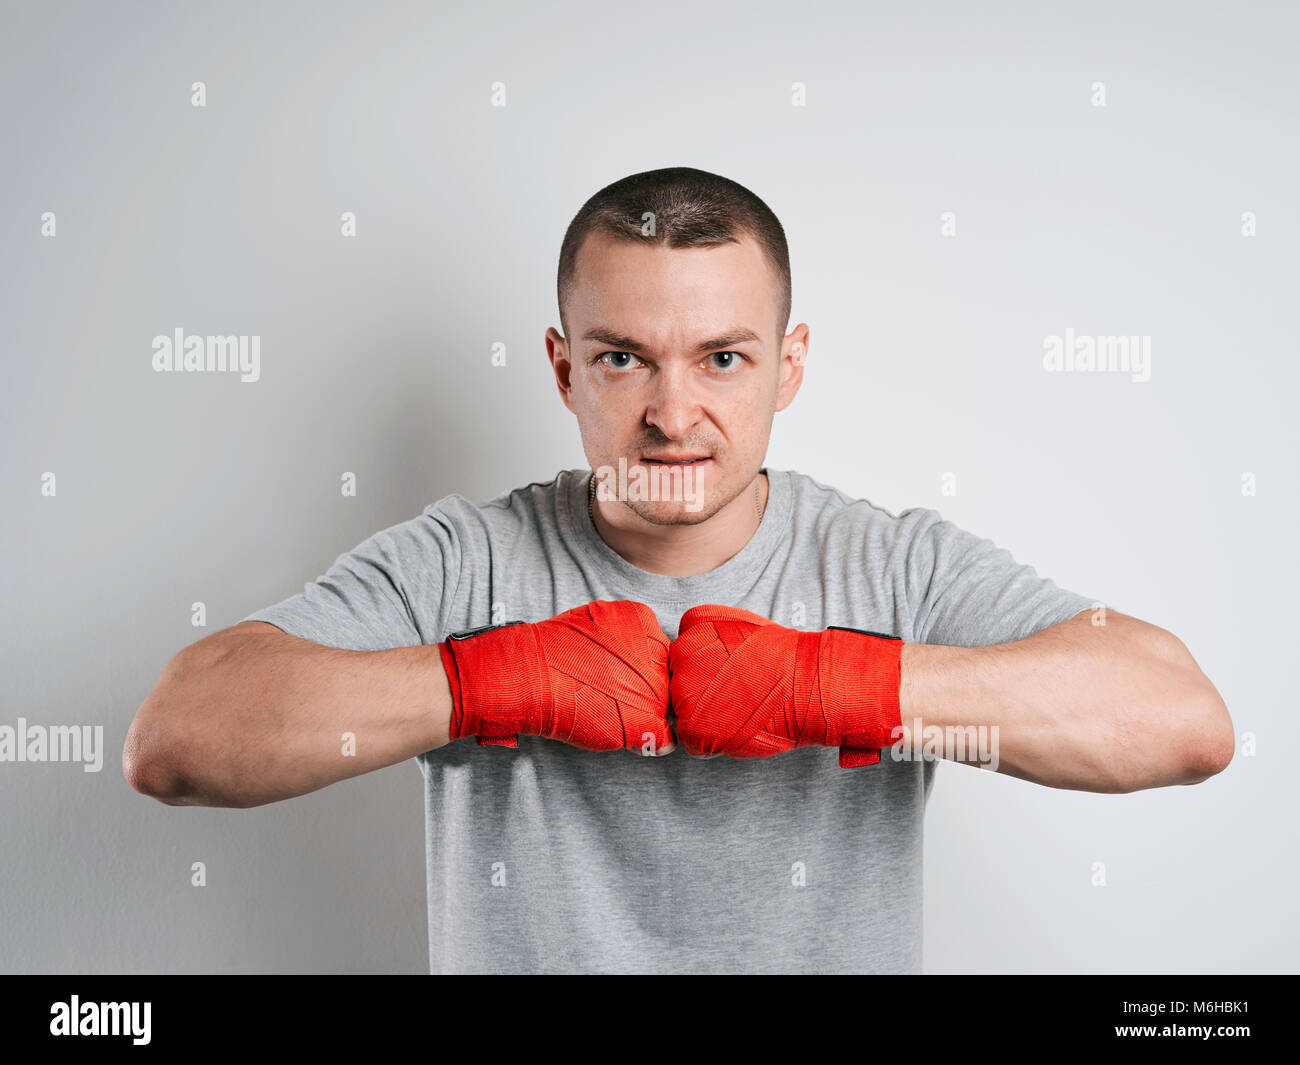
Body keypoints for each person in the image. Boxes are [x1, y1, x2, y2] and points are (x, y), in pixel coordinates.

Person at [123, 166, 1235, 974]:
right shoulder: (466, 561)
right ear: (563, 369)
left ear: (786, 366)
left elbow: (1178, 722)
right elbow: (177, 742)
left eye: (721, 359)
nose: (670, 415)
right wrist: (484, 683)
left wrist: (849, 688)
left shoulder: (889, 564)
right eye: (621, 359)